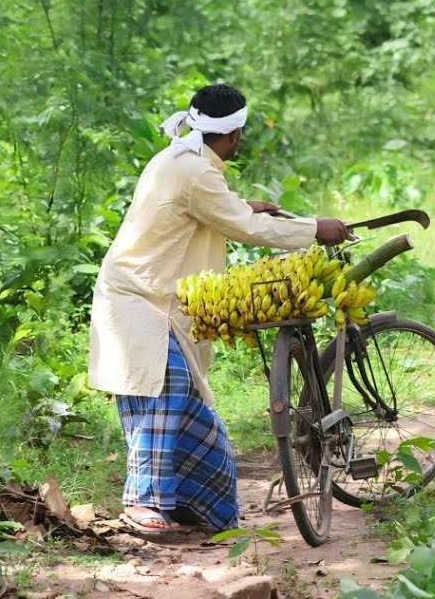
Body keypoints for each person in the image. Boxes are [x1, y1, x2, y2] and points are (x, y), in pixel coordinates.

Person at [88, 83, 349, 534]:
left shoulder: (178, 160)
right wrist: (314, 229)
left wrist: (245, 206)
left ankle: (187, 504)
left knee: (195, 420)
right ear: (235, 134)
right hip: (138, 300)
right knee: (163, 397)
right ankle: (141, 502)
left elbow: (205, 209)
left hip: (151, 300)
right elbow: (242, 226)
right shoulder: (195, 172)